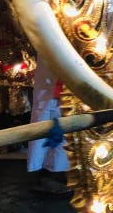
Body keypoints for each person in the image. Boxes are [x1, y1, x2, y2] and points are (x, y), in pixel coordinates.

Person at [27, 54, 72, 196]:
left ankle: (58, 174)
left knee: (63, 133)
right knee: (50, 133)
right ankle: (47, 176)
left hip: (69, 88)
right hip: (52, 89)